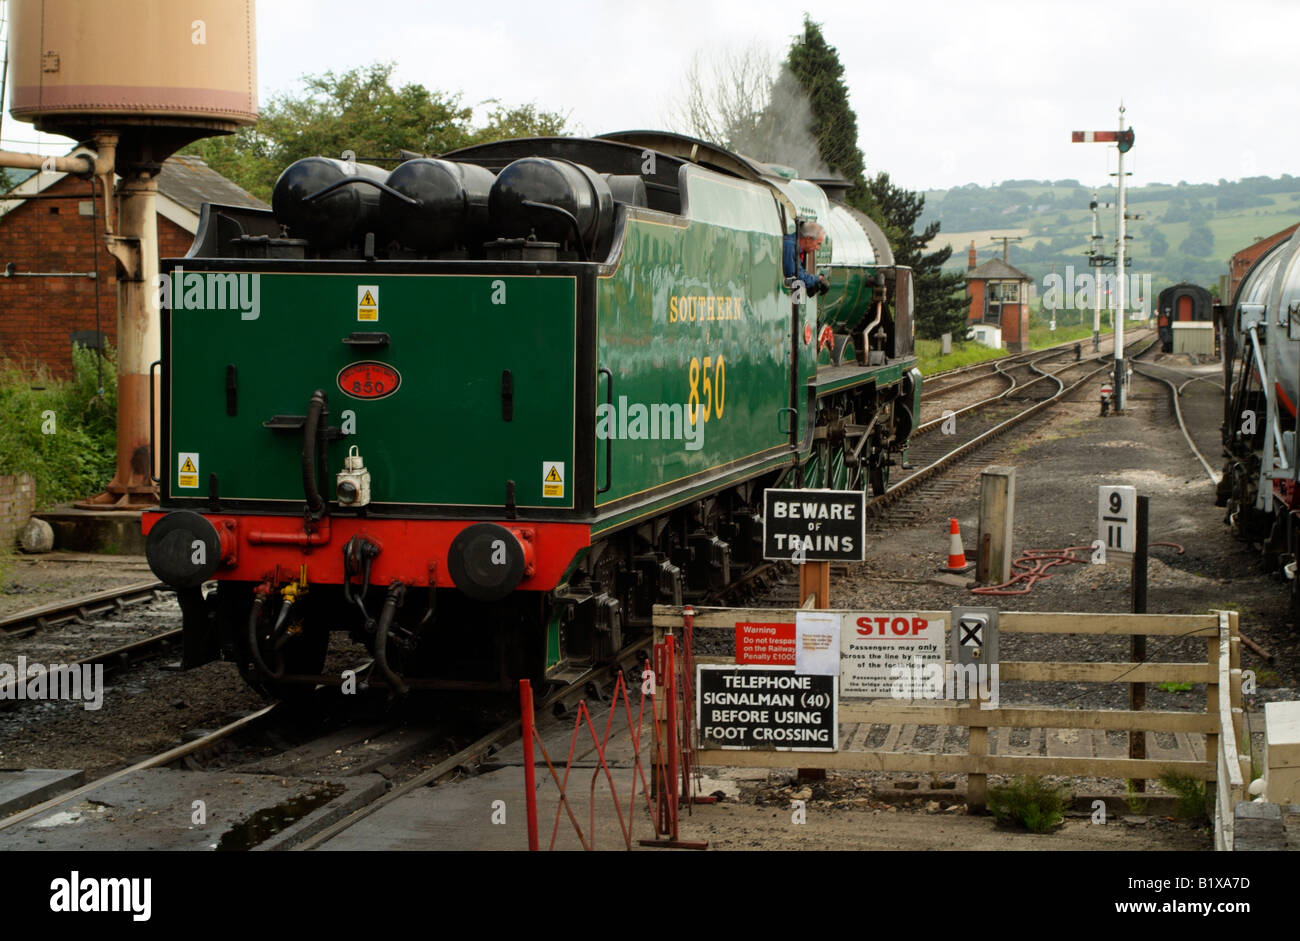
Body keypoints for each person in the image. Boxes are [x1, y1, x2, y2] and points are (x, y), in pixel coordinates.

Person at [783, 221, 828, 296]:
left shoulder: (795, 247)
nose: (818, 248)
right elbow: (793, 275)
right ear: (808, 239)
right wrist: (818, 279)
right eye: (818, 243)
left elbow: (800, 272)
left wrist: (811, 281)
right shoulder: (790, 247)